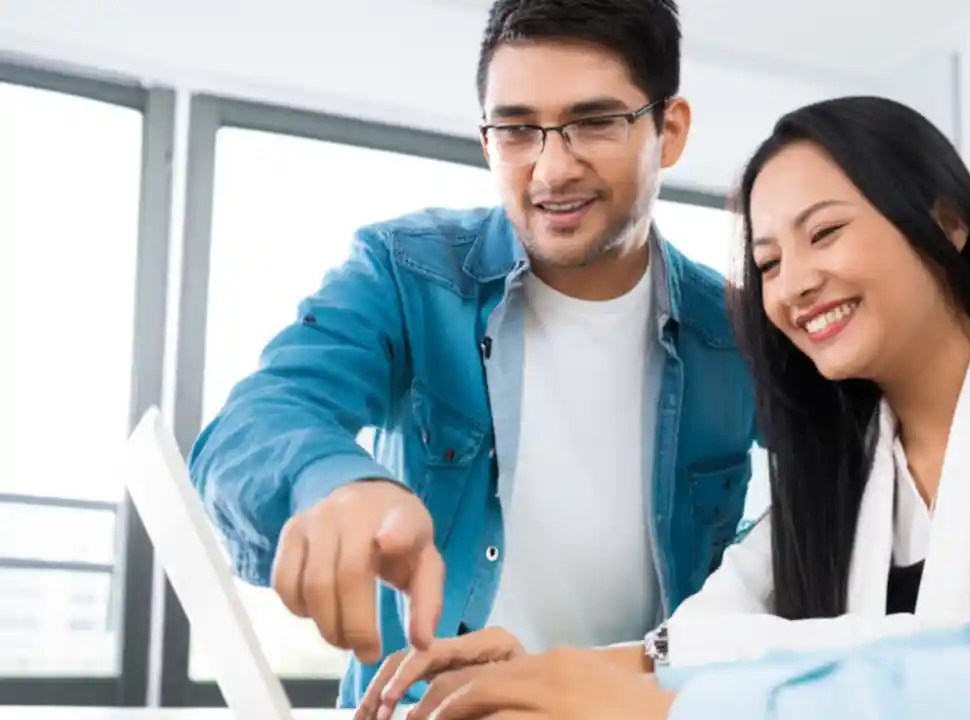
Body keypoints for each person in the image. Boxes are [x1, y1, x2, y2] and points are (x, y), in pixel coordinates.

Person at [408, 0, 970, 717]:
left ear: (943, 223)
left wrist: (666, 700)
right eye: (769, 262)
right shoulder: (849, 458)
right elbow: (697, 632)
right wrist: (545, 673)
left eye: (824, 232)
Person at [187, 0, 758, 708]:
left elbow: (833, 513)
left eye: (593, 122)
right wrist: (334, 483)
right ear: (488, 141)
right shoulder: (405, 273)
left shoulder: (741, 334)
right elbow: (255, 422)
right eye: (517, 130)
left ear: (667, 131)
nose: (552, 168)